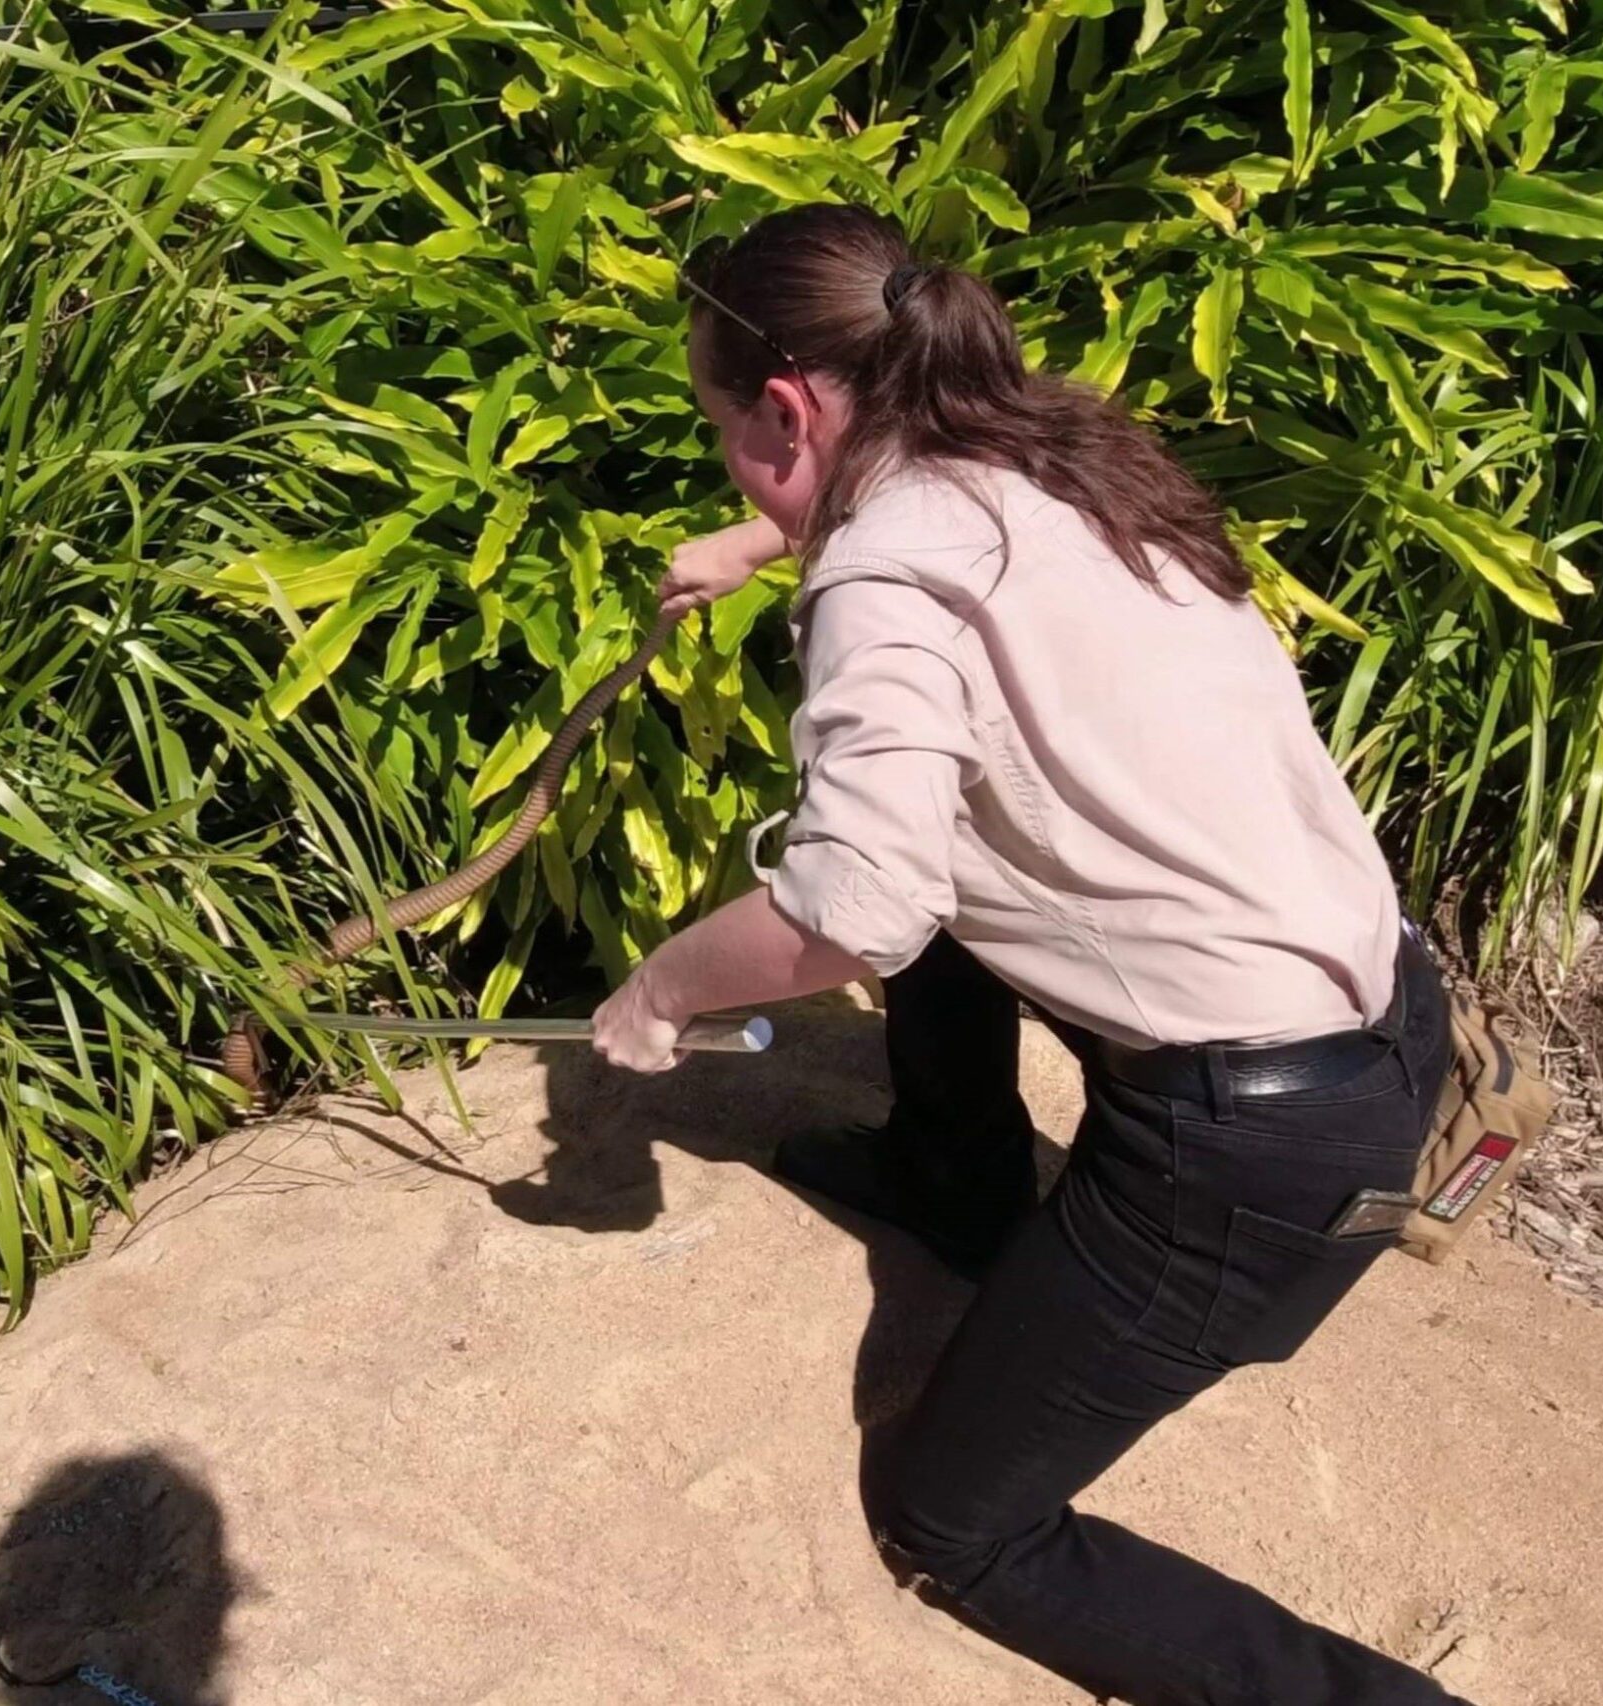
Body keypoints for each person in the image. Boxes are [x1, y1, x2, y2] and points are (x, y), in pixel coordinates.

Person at [588, 203, 1466, 1706]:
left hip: (1249, 1145)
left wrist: (662, 986)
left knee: (951, 1519)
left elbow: (852, 909)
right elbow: (922, 581)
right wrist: (758, 531)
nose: (731, 456)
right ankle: (957, 1181)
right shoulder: (1049, 443)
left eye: (728, 430)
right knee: (934, 841)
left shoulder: (885, 578)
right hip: (1379, 1008)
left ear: (791, 408)